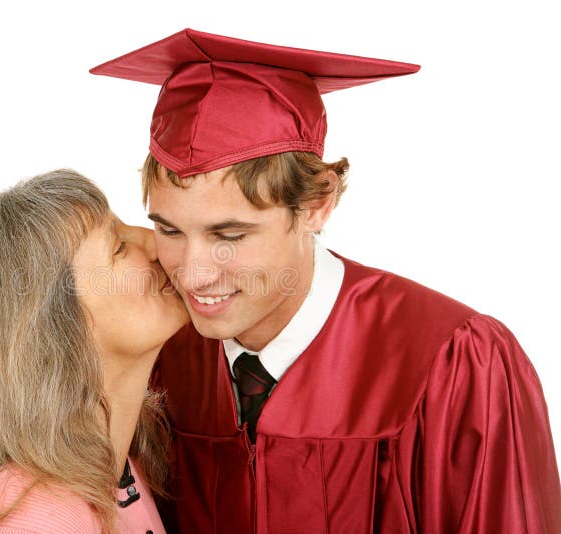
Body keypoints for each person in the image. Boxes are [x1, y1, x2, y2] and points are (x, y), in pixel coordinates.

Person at [91, 29, 561, 533]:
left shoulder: (454, 363)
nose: (194, 273)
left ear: (317, 205)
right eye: (169, 230)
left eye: (230, 235)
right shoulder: (161, 359)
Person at [0, 169, 188, 533]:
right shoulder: (38, 516)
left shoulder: (121, 470)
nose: (154, 243)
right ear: (58, 331)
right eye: (119, 247)